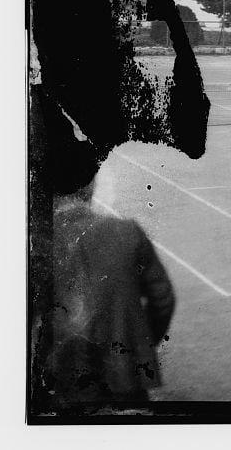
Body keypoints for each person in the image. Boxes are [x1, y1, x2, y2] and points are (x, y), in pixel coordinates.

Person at [49, 154, 176, 404]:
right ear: (90, 186)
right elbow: (163, 300)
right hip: (126, 378)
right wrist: (138, 344)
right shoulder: (128, 232)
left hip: (62, 384)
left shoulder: (34, 241)